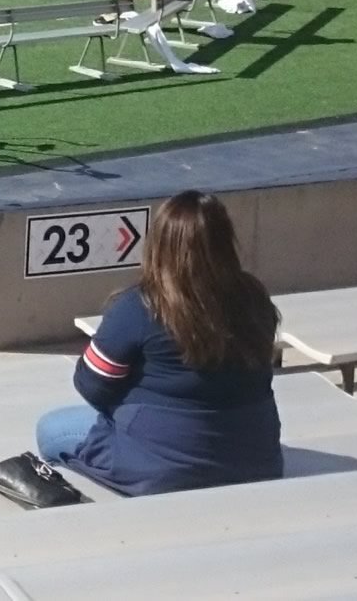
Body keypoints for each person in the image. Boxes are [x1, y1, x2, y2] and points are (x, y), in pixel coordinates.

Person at [33, 190, 282, 495]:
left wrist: (135, 410)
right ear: (225, 241)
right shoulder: (254, 298)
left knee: (51, 428)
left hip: (163, 471)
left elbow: (90, 383)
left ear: (159, 244)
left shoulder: (138, 306)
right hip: (256, 461)